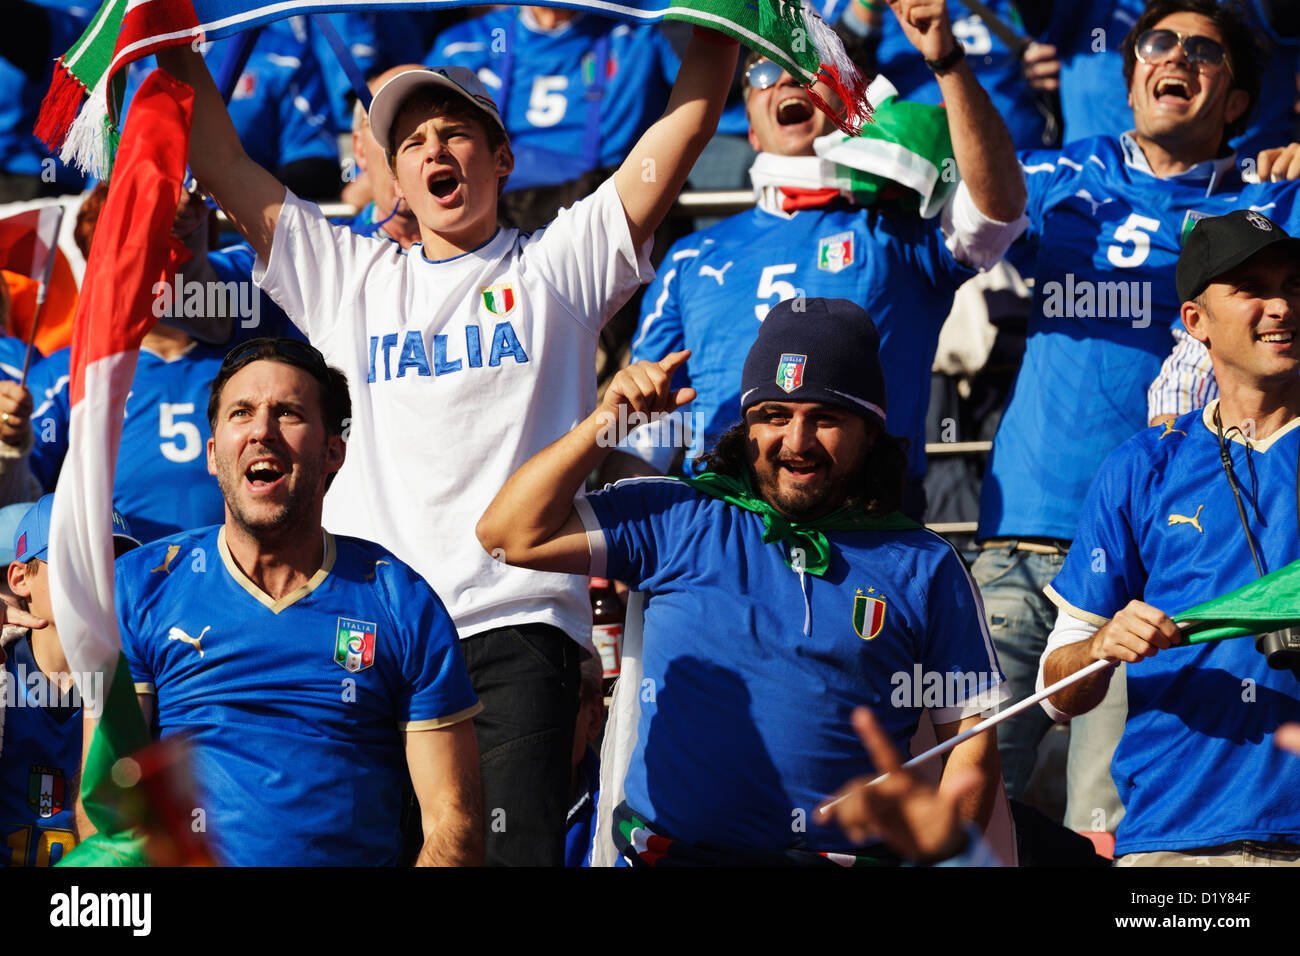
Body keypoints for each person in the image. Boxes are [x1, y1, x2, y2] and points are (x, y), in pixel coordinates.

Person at [159, 21, 740, 867]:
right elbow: (223, 164)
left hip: (512, 627)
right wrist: (168, 40)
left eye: (457, 132)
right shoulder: (346, 276)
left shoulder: (557, 268)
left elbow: (680, 134)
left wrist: (719, 41)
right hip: (367, 625)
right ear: (394, 176)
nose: (437, 150)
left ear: (502, 158)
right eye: (415, 140)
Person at [478, 297, 1006, 865]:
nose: (796, 442)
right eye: (774, 415)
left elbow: (971, 740)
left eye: (824, 418)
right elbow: (509, 533)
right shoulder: (677, 516)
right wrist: (606, 427)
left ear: (870, 431)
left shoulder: (926, 563)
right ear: (746, 424)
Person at [971, 0, 1300, 825]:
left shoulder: (1272, 205)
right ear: (1128, 77)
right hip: (1028, 534)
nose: (1176, 57)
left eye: (1204, 51)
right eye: (1158, 42)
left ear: (1235, 100)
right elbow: (977, 223)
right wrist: (946, 64)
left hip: (1161, 563)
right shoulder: (1056, 175)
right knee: (968, 808)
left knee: (1107, 820)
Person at [629, 0, 1027, 519]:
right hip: (719, 528)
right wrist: (614, 564)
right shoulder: (689, 257)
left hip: (869, 525)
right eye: (765, 70)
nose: (787, 81)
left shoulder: (901, 230)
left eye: (812, 70)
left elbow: (998, 215)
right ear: (748, 125)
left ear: (850, 103)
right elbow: (647, 425)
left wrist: (946, 61)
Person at [112, 338, 483, 866]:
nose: (262, 430)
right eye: (242, 412)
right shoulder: (141, 586)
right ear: (213, 453)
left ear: (333, 452)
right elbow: (107, 805)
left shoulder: (401, 601)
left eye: (287, 413)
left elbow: (454, 824)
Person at [1038, 209, 1300, 865]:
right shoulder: (1141, 465)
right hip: (1175, 841)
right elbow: (1056, 695)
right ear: (1195, 323)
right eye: (1251, 288)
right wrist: (1103, 646)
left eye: (1295, 285)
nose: (1281, 307)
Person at [429, 6, 679, 230]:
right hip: (493, 212)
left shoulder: (639, 33)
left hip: (604, 213)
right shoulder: (465, 44)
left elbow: (707, 103)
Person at [0, 495, 137, 866]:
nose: (99, 576)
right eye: (76, 559)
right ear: (19, 579)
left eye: (115, 562)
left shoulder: (135, 686)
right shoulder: (3, 671)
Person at [338, 64, 428, 250]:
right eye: (384, 122)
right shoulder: (331, 249)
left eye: (424, 122)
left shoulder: (498, 256)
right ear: (359, 149)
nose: (406, 140)